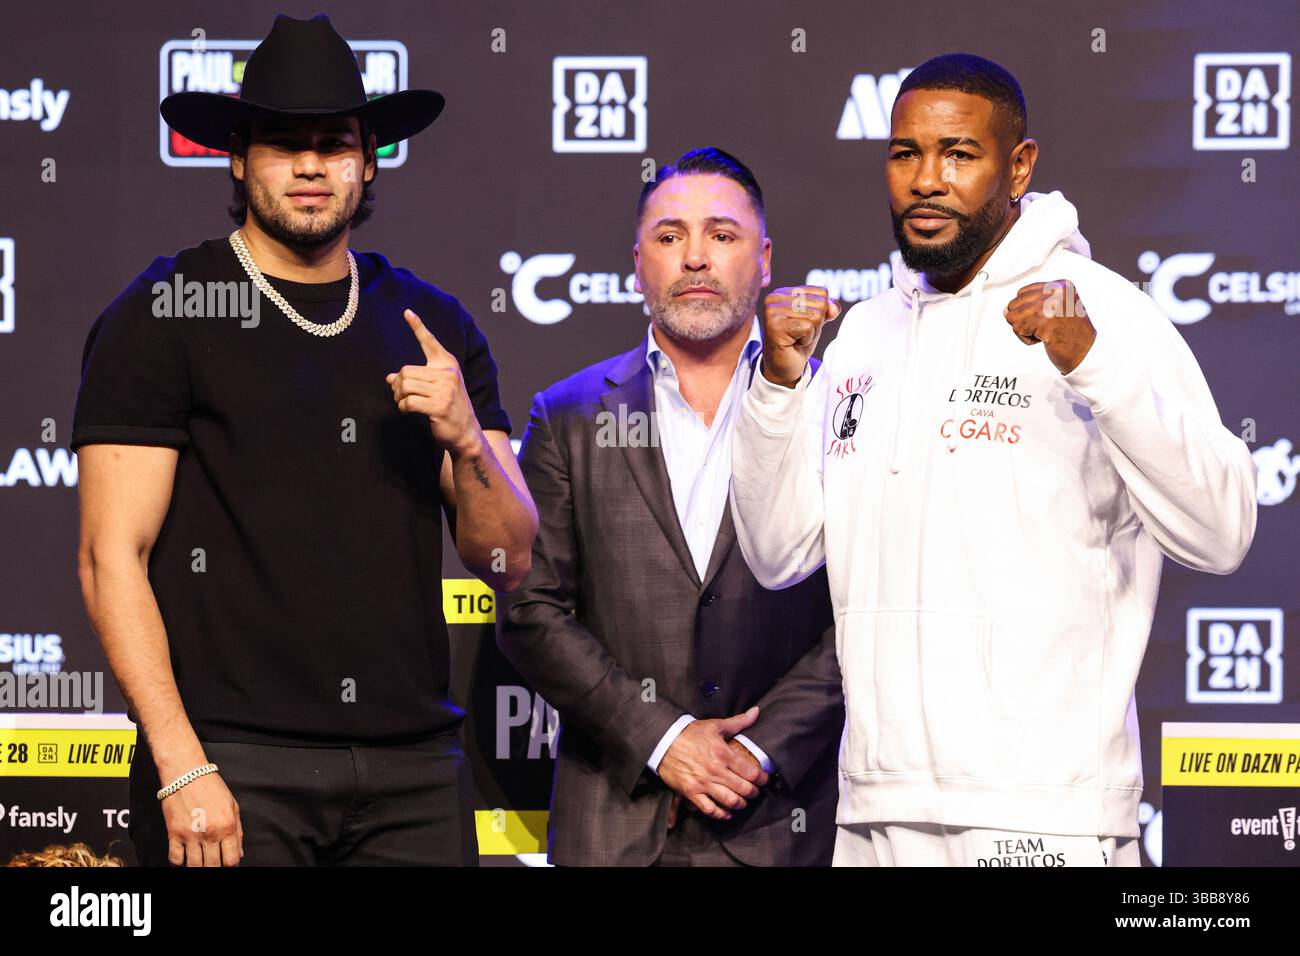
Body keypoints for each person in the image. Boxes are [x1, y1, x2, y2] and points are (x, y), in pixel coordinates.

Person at [730, 53, 1257, 867]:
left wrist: (1093, 366)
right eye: (906, 153)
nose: (927, 180)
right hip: (876, 806)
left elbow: (1223, 533)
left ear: (1019, 166)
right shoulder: (866, 333)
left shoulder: (1106, 313)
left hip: (1045, 810)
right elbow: (777, 554)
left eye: (959, 154)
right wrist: (772, 389)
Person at [71, 14, 537, 867]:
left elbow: (508, 559)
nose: (313, 165)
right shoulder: (164, 311)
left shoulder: (431, 320)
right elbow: (112, 558)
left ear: (368, 160)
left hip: (416, 773)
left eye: (336, 141)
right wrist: (179, 765)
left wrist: (469, 443)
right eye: (286, 143)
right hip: (234, 765)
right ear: (240, 158)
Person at [497, 148, 842, 866]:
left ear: (765, 257)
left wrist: (758, 748)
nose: (694, 258)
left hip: (784, 824)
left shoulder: (833, 407)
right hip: (614, 826)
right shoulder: (566, 415)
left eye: (721, 235)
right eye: (669, 236)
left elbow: (864, 612)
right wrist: (661, 737)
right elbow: (530, 610)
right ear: (637, 263)